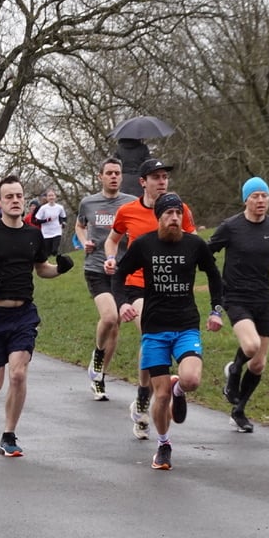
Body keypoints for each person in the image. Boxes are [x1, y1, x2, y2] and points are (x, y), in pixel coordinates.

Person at [0, 175, 75, 457]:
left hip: (23, 314)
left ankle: (9, 435)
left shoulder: (34, 234)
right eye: (9, 197)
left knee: (18, 374)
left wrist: (60, 270)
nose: (16, 200)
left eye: (19, 196)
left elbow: (41, 268)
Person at [112, 193, 224, 470]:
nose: (175, 219)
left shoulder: (195, 244)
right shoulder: (144, 245)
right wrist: (122, 303)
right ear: (159, 218)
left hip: (186, 324)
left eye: (178, 214)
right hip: (154, 328)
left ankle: (179, 387)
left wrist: (216, 310)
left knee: (191, 380)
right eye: (169, 214)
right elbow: (119, 274)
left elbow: (213, 274)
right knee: (159, 396)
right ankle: (163, 444)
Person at [103, 158, 196, 440]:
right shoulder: (127, 211)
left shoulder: (180, 210)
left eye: (165, 176)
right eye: (155, 177)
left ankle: (149, 394)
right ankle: (149, 395)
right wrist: (110, 258)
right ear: (143, 181)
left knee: (156, 342)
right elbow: (112, 240)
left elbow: (191, 246)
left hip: (171, 290)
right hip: (138, 286)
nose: (162, 181)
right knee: (151, 331)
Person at [208, 177, 269, 433]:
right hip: (235, 296)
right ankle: (233, 370)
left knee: (258, 364)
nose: (260, 201)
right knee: (251, 346)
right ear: (245, 199)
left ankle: (239, 410)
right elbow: (207, 251)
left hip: (263, 299)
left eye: (264, 196)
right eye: (255, 196)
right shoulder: (231, 227)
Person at [75, 157, 137, 401]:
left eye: (117, 173)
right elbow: (80, 226)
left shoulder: (131, 203)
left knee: (115, 327)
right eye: (109, 173)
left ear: (121, 177)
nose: (113, 176)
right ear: (100, 176)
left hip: (123, 271)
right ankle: (98, 356)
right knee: (109, 317)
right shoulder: (89, 203)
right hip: (95, 267)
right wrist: (84, 242)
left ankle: (99, 377)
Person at [34, 189, 67, 256]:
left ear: (55, 197)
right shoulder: (43, 208)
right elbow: (37, 220)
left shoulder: (60, 207)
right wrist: (46, 220)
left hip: (57, 231)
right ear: (47, 198)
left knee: (54, 250)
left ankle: (58, 262)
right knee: (47, 253)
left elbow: (64, 217)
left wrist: (63, 223)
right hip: (46, 233)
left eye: (52, 195)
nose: (51, 197)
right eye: (49, 196)